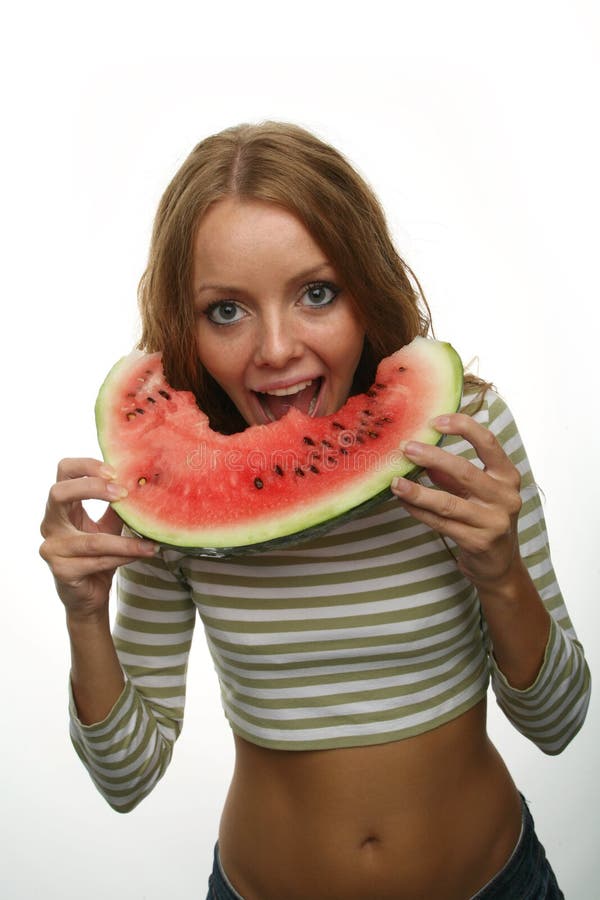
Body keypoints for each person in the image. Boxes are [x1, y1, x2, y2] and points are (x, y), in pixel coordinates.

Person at [40, 122, 590, 900]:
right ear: (185, 324)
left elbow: (560, 724)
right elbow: (127, 777)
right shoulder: (166, 494)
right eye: (226, 310)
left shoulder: (464, 439)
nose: (274, 349)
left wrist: (502, 575)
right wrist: (83, 616)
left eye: (317, 294)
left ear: (366, 289)